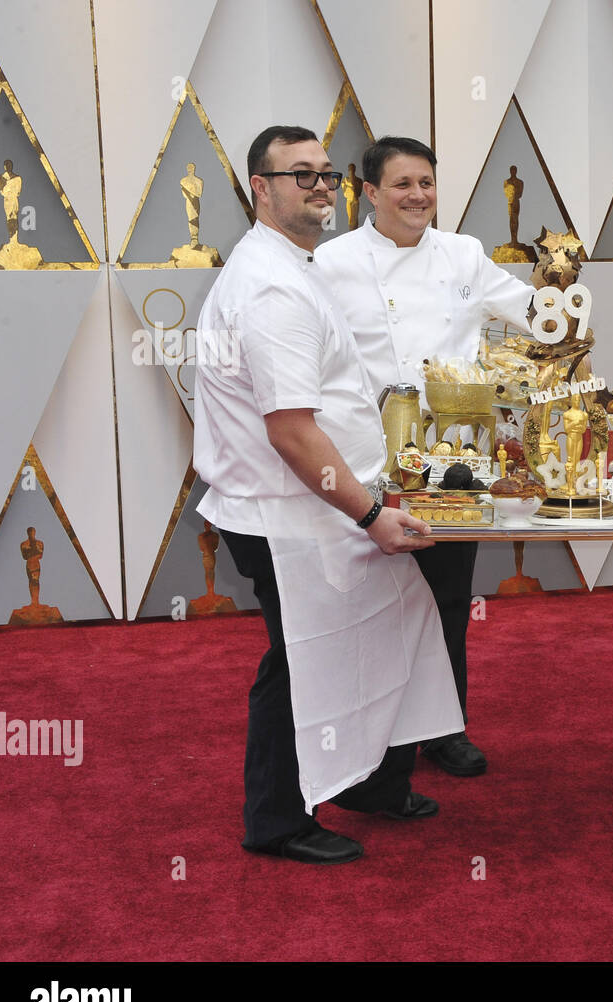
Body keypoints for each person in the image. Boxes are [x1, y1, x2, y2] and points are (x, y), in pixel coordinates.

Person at [193, 125, 462, 865]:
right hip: (290, 514)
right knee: (300, 659)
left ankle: (371, 781)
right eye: (299, 173)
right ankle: (275, 819)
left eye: (326, 172)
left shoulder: (292, 263)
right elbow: (291, 431)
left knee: (384, 630)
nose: (319, 185)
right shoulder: (271, 285)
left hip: (317, 505)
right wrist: (372, 515)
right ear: (260, 187)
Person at [316, 136, 533, 776]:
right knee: (370, 609)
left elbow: (530, 313)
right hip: (363, 464)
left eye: (427, 184)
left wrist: (560, 299)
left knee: (446, 600)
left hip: (452, 463)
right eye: (403, 184)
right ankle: (374, 738)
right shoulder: (332, 263)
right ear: (371, 192)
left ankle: (446, 729)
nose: (418, 196)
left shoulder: (464, 254)